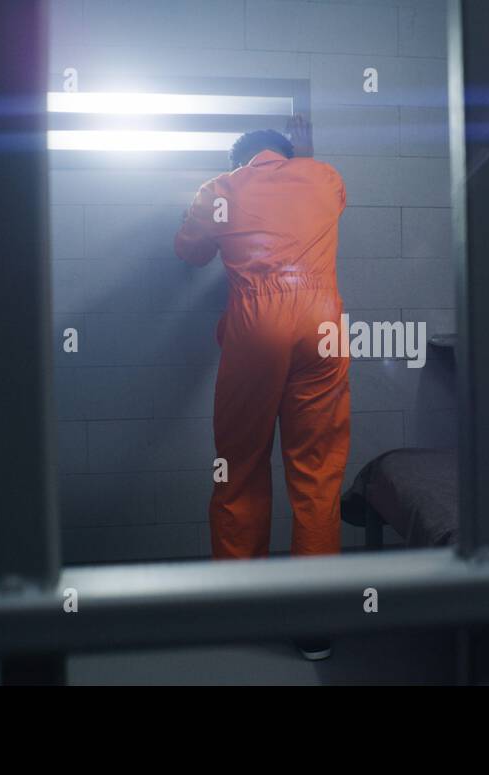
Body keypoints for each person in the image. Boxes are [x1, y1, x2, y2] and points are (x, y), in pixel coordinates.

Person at [174, 115, 348, 661]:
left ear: (240, 160)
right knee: (317, 474)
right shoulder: (324, 177)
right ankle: (315, 628)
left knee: (241, 469)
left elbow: (189, 252)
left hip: (257, 326)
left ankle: (239, 608)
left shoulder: (220, 188)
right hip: (324, 326)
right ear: (286, 153)